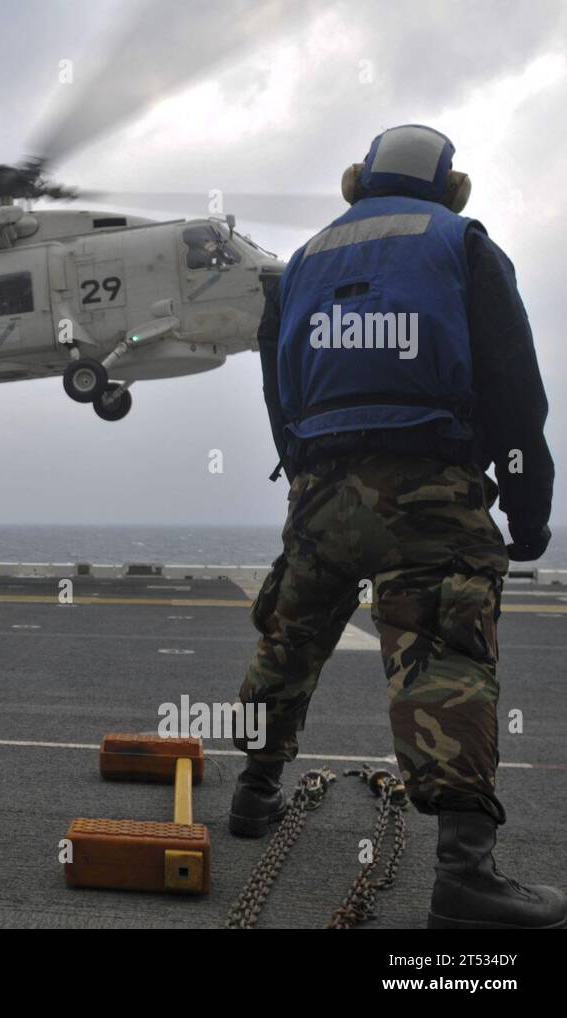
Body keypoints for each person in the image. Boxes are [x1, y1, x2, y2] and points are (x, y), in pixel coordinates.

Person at [232, 125, 563, 929]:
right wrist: (528, 503)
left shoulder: (303, 261)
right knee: (445, 657)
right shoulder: (463, 244)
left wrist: (306, 477)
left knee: (291, 635)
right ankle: (464, 875)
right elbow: (515, 387)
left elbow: (279, 388)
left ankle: (254, 793)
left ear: (359, 181)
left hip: (320, 491)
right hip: (428, 490)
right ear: (451, 186)